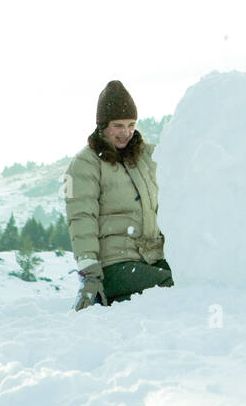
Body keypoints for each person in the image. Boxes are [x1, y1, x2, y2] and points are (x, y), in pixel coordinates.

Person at [66, 80, 173, 309]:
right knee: (170, 285)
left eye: (131, 124)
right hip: (115, 264)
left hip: (151, 258)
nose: (126, 133)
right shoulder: (85, 164)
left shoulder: (145, 157)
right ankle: (117, 298)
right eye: (118, 125)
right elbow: (81, 219)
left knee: (190, 279)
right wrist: (90, 275)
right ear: (102, 125)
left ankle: (122, 302)